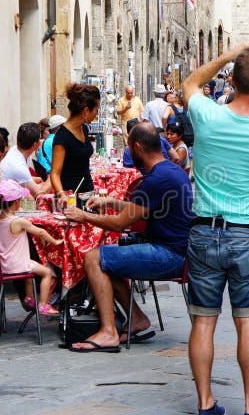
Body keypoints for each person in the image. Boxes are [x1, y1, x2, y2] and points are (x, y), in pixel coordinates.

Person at [182, 46, 249, 415]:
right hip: (245, 235)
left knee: (203, 323)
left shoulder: (206, 116)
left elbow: (190, 83)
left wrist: (226, 58)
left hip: (204, 231)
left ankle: (206, 404)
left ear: (232, 81)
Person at [66, 122, 194, 352]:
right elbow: (139, 209)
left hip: (169, 255)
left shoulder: (156, 179)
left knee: (93, 258)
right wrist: (110, 201)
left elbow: (119, 223)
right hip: (176, 250)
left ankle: (108, 332)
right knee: (109, 259)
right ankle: (136, 319)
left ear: (137, 147)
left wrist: (83, 215)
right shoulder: (170, 171)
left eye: (128, 148)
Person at [0, 180, 63, 315]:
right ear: (15, 203)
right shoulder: (18, 221)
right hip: (19, 264)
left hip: (4, 264)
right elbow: (40, 232)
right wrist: (54, 241)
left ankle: (29, 299)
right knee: (46, 273)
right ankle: (43, 305)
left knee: (28, 276)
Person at [51, 83, 99, 202]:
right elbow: (55, 174)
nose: (96, 114)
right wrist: (62, 195)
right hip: (71, 196)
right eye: (96, 110)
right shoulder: (62, 137)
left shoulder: (84, 129)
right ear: (86, 110)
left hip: (88, 193)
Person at [0, 122, 52, 198]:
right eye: (39, 139)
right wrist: (53, 176)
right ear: (35, 145)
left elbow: (20, 180)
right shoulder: (18, 166)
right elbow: (39, 195)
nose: (41, 141)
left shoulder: (16, 150)